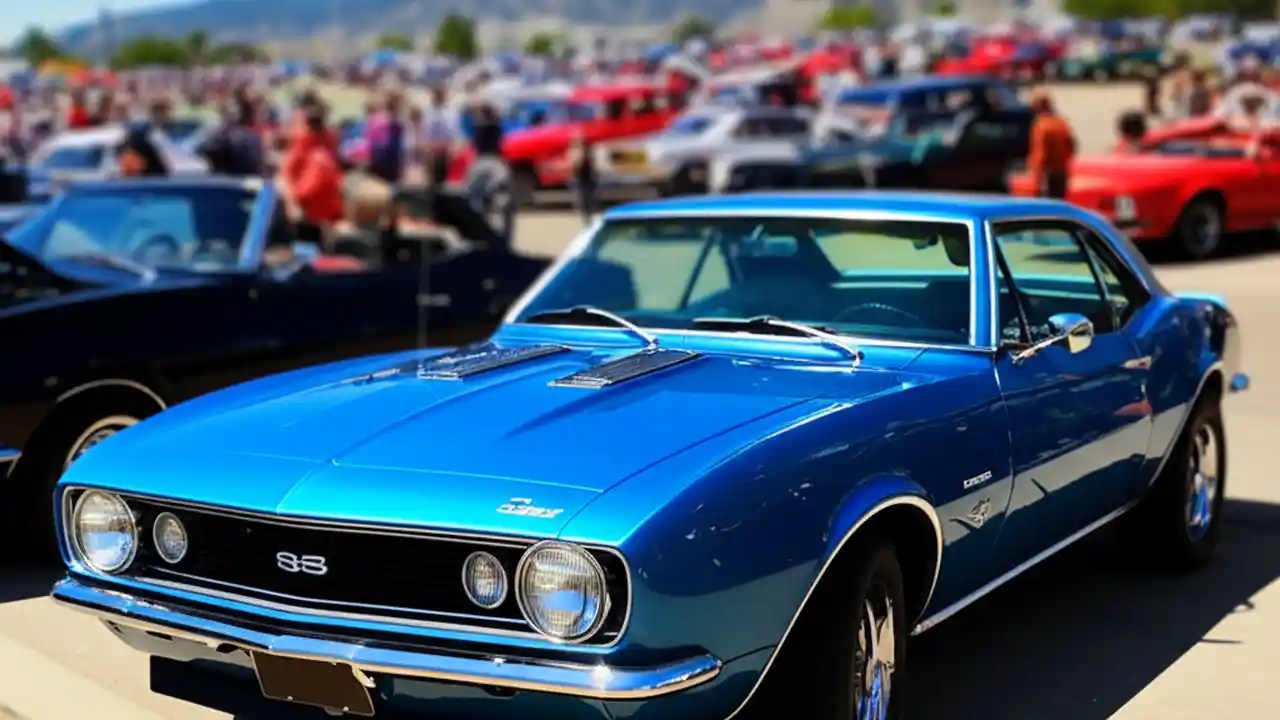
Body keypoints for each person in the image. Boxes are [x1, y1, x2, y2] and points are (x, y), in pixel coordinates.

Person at [287, 104, 345, 249]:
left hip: (312, 196)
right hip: (320, 197)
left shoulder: (305, 139)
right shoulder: (327, 138)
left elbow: (291, 169)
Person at [1026, 89, 1075, 199]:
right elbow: (1071, 146)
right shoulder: (1061, 123)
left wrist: (1036, 174)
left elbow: (1041, 153)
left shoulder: (1041, 126)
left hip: (1047, 174)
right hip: (1062, 171)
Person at [364, 90, 406, 185]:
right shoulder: (380, 119)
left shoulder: (398, 121)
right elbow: (370, 140)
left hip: (391, 158)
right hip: (382, 157)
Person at [569, 131, 597, 224]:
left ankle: (588, 215)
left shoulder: (586, 150)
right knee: (583, 197)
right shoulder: (577, 149)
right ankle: (586, 216)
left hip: (585, 176)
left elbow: (579, 162)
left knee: (587, 197)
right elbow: (574, 163)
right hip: (581, 176)